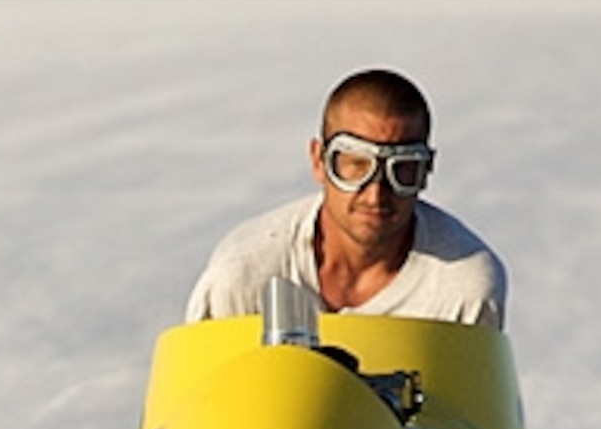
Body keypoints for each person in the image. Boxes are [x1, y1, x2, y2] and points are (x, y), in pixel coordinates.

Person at [184, 68, 506, 329]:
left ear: (426, 171)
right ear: (318, 161)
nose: (376, 192)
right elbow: (201, 396)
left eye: (402, 169)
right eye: (355, 165)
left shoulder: (464, 284)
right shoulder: (247, 270)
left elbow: (471, 407)